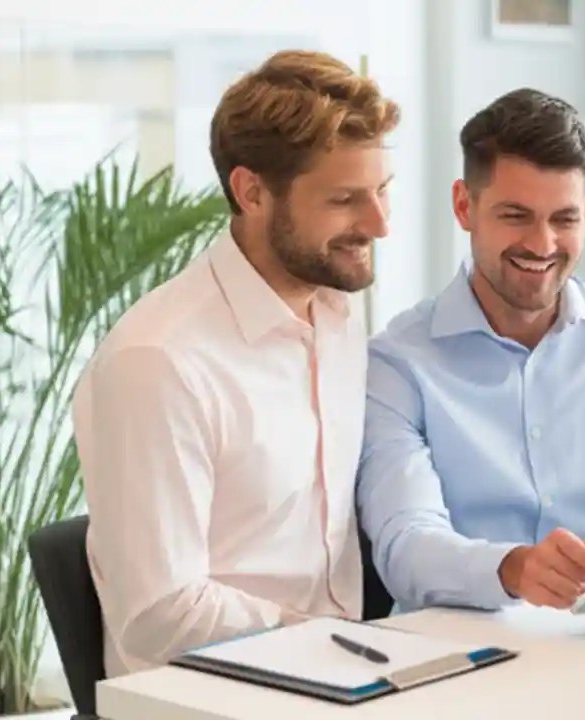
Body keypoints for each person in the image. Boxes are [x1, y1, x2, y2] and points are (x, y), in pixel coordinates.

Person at [73, 50, 400, 677]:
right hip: (207, 695)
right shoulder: (159, 361)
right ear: (250, 191)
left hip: (339, 676)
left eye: (383, 190)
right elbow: (160, 612)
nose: (379, 224)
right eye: (344, 199)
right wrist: (327, 641)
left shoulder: (336, 317)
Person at [358, 88, 585, 613]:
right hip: (461, 656)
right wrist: (512, 568)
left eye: (564, 219)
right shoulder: (397, 361)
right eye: (516, 216)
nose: (542, 245)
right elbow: (405, 545)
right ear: (465, 206)